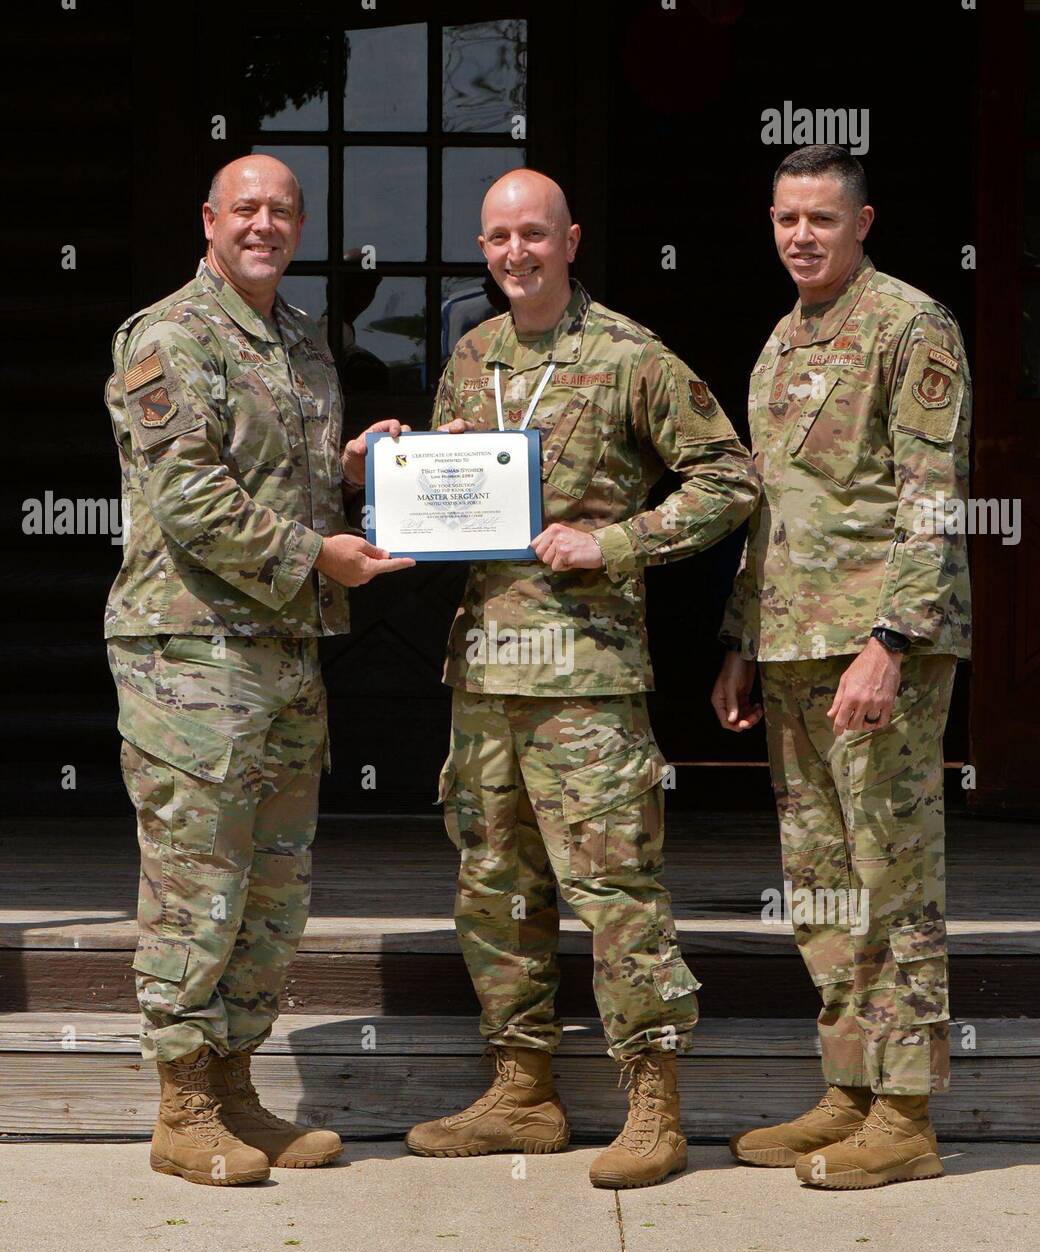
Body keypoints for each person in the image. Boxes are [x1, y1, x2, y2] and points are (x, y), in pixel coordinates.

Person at [395, 169, 759, 1188]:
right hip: (485, 673)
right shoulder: (471, 358)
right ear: (484, 247)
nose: (516, 252)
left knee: (614, 891)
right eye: (498, 236)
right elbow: (446, 515)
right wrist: (423, 467)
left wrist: (618, 543)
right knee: (494, 886)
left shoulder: (627, 355)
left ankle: (653, 1100)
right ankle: (521, 1092)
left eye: (534, 235)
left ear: (570, 240)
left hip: (586, 679)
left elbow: (728, 479)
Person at [105, 154, 414, 1185]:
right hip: (190, 656)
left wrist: (355, 465)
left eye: (282, 211)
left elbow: (278, 465)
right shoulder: (167, 338)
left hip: (282, 653)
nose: (265, 224)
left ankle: (236, 1086)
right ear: (209, 219)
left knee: (273, 887)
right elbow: (190, 493)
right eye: (247, 208)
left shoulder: (296, 338)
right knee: (197, 882)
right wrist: (311, 554)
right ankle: (182, 1105)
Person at [713, 145, 971, 1190]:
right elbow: (769, 506)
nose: (800, 236)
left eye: (821, 218)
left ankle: (904, 1111)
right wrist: (737, 636)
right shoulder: (780, 341)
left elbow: (931, 497)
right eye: (784, 218)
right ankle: (847, 1084)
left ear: (862, 223)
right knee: (818, 880)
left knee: (889, 875)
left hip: (874, 651)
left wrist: (893, 641)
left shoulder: (909, 324)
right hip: (786, 645)